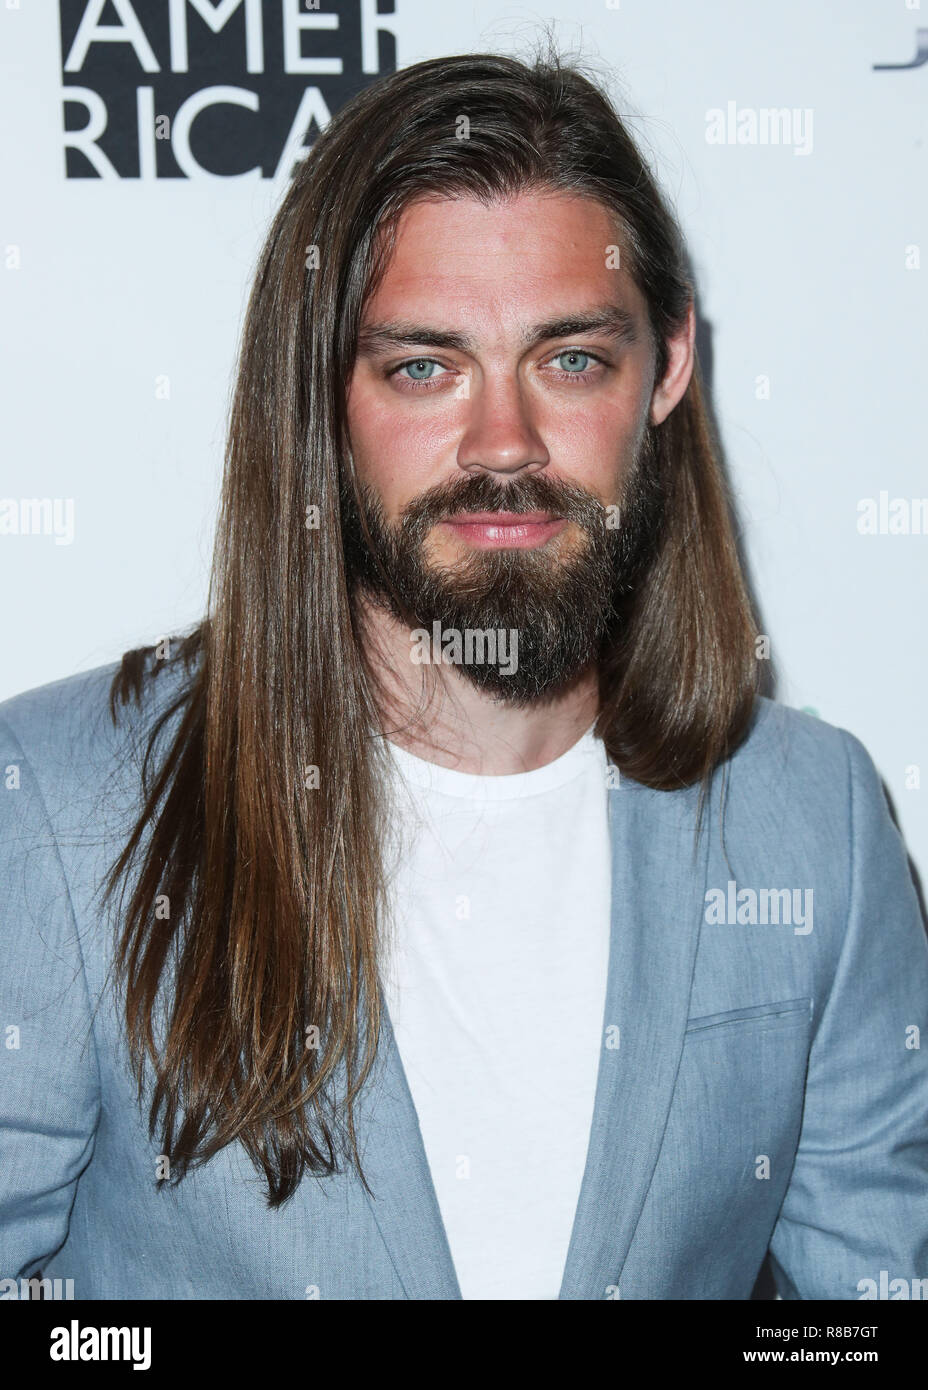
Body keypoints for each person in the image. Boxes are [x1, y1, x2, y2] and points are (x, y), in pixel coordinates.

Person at [1, 48, 926, 1302]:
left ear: (666, 369)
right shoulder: (54, 811)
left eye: (570, 360)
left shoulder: (816, 818)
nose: (505, 444)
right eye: (424, 367)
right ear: (318, 401)